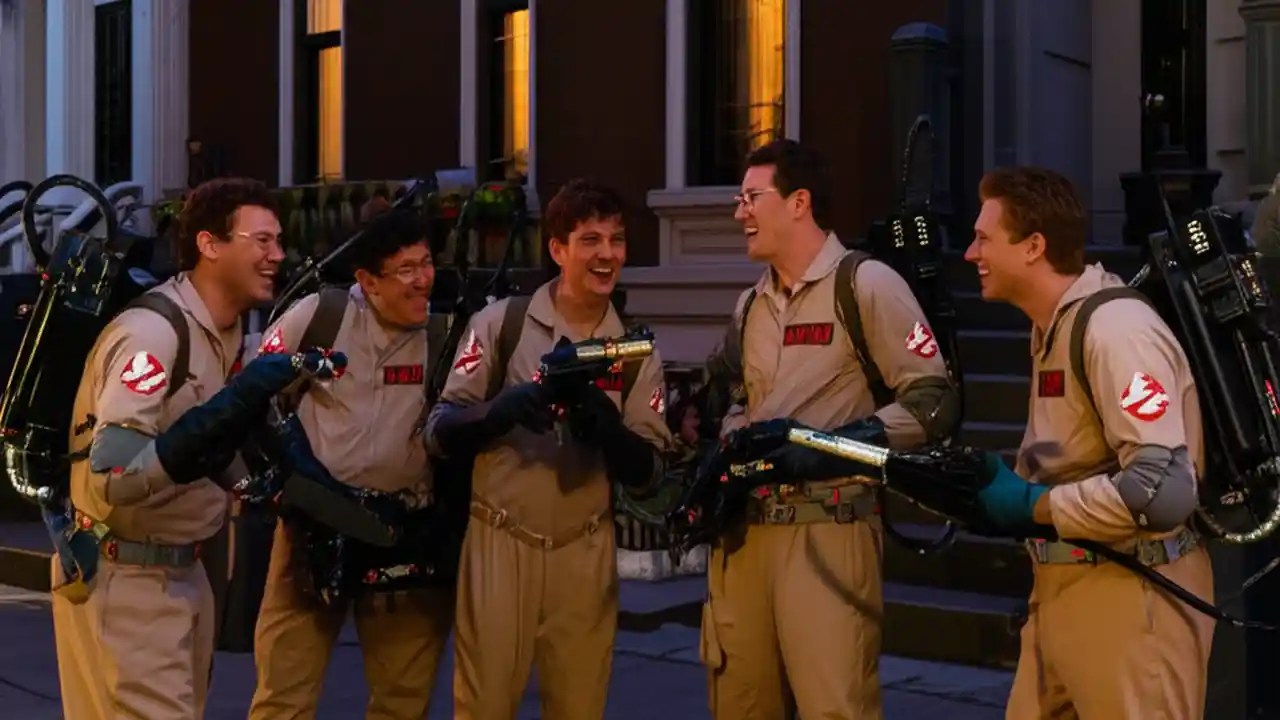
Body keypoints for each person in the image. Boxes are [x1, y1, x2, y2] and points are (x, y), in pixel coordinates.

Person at [51, 177, 338, 719]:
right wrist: (202, 434)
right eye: (262, 241)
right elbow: (111, 476)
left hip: (181, 574)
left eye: (278, 241)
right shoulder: (153, 335)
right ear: (210, 245)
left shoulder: (221, 331)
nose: (277, 255)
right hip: (128, 578)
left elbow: (209, 440)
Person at [706, 139, 959, 720]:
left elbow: (933, 402)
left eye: (750, 197)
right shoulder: (749, 306)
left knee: (833, 708)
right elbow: (731, 394)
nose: (739, 212)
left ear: (799, 203)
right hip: (745, 538)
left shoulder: (865, 284)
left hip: (828, 533)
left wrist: (827, 451)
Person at [962, 166, 1214, 718]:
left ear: (1033, 246)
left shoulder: (1115, 329)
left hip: (1132, 598)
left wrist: (1037, 504)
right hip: (1065, 589)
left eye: (983, 238)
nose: (968, 254)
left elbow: (1163, 491)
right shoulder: (1054, 324)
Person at [424, 178, 674, 719]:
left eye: (617, 240)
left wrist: (608, 428)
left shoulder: (634, 352)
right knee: (483, 705)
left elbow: (650, 473)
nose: (607, 254)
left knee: (580, 706)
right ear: (558, 249)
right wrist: (501, 410)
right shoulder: (501, 325)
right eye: (590, 240)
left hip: (584, 550)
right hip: (500, 540)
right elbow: (439, 429)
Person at [247, 206, 454, 719]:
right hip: (313, 530)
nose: (422, 281)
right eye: (406, 270)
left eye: (426, 264)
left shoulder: (446, 333)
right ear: (367, 279)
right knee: (284, 695)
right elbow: (250, 398)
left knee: (403, 701)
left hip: (405, 533)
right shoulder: (321, 317)